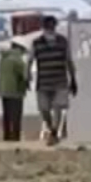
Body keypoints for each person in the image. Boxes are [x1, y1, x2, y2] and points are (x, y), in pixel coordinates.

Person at [29, 16, 77, 146]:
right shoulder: (36, 43)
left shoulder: (63, 41)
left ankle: (54, 133)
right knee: (44, 109)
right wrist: (27, 76)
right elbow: (29, 60)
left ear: (54, 27)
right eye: (48, 26)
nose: (50, 29)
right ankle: (52, 129)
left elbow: (69, 61)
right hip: (43, 81)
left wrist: (73, 79)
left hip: (59, 80)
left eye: (52, 26)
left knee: (57, 106)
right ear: (44, 27)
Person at [0, 41, 30, 142]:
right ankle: (15, 137)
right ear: (20, 49)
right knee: (16, 116)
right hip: (15, 91)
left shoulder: (3, 58)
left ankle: (6, 136)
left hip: (3, 90)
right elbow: (25, 76)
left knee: (6, 115)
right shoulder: (18, 60)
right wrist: (26, 84)